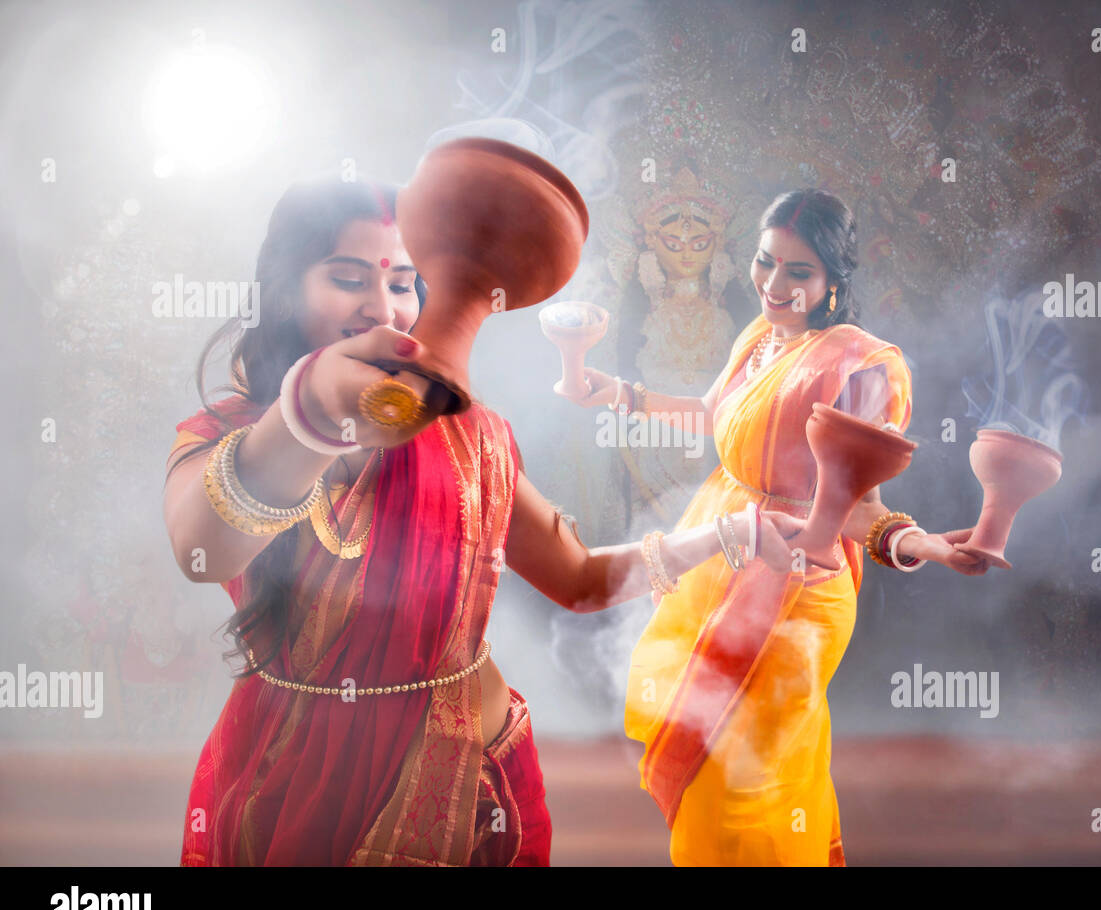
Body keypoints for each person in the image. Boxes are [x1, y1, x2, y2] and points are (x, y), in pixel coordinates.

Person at [164, 174, 795, 866]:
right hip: (295, 785)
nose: (382, 308)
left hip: (477, 790)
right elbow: (205, 551)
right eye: (348, 279)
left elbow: (581, 581)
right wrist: (310, 415)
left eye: (404, 283)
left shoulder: (474, 435)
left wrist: (730, 535)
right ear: (285, 289)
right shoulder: (230, 435)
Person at [566, 188, 989, 866]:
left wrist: (922, 545)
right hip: (721, 552)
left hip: (797, 585)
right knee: (706, 768)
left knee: (753, 785)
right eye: (766, 264)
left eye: (799, 272)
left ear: (833, 281)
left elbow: (860, 505)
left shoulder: (862, 366)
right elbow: (715, 416)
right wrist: (618, 395)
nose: (774, 284)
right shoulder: (761, 335)